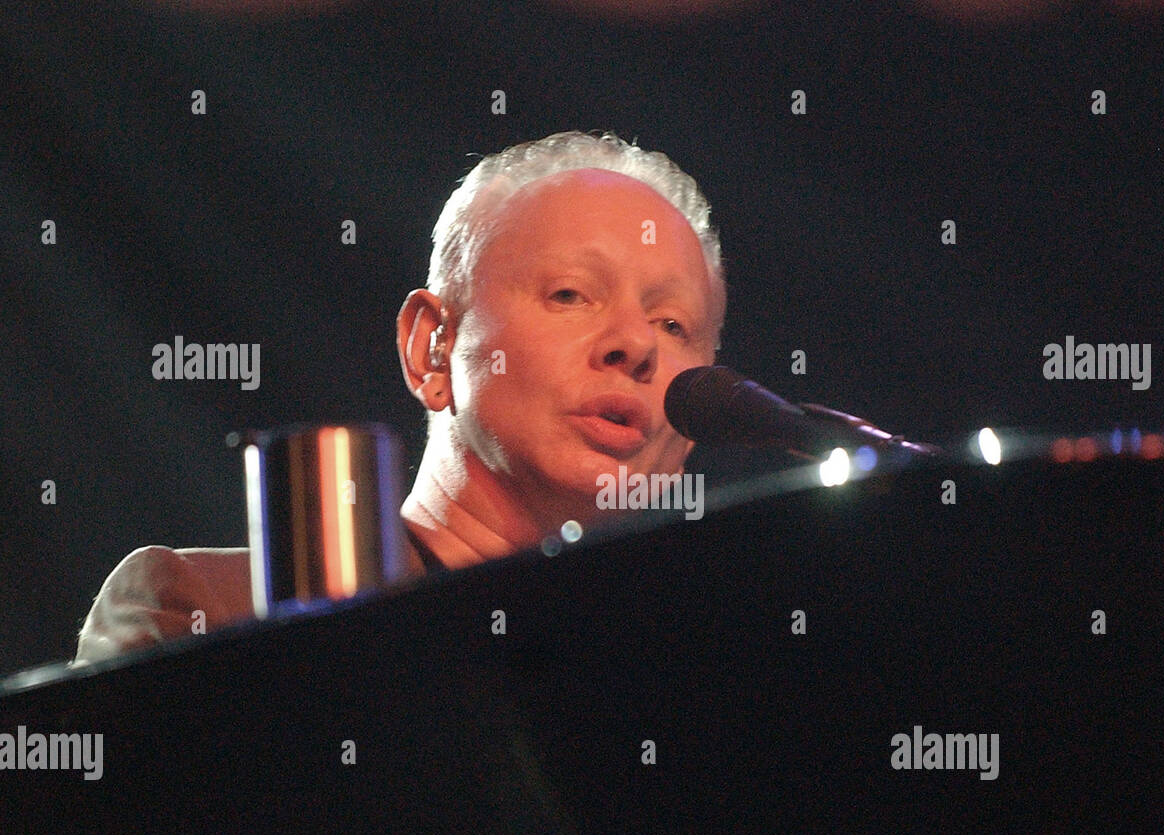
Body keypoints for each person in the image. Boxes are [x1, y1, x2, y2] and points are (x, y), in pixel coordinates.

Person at [74, 131, 727, 664]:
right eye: (570, 294)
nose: (635, 344)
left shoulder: (709, 673)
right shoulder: (208, 607)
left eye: (673, 325)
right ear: (432, 349)